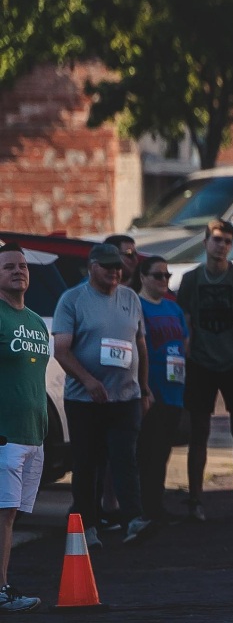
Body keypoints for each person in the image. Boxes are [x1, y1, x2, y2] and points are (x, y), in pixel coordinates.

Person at [54, 242, 145, 542]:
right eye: (108, 266)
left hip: (125, 397)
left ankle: (133, 520)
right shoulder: (73, 299)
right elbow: (62, 350)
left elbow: (140, 345)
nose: (115, 271)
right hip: (85, 400)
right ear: (92, 267)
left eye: (118, 266)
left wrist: (144, 387)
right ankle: (86, 525)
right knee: (86, 462)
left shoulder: (131, 298)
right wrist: (88, 380)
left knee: (125, 458)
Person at [178, 219, 233, 521]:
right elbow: (185, 322)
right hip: (200, 362)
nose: (221, 245)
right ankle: (195, 500)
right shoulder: (191, 279)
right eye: (216, 239)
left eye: (227, 240)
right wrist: (185, 358)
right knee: (199, 432)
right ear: (205, 243)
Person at [0, 244, 51, 611]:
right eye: (8, 267)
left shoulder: (34, 321)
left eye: (22, 266)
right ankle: (2, 592)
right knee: (2, 516)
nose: (19, 271)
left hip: (34, 435)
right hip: (4, 435)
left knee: (11, 517)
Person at [131, 256, 186, 540]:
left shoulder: (173, 308)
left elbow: (184, 344)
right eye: (157, 275)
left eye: (167, 275)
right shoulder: (136, 307)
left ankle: (157, 506)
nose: (164, 280)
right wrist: (142, 387)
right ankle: (144, 509)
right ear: (143, 277)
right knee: (147, 452)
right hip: (149, 391)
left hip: (174, 389)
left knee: (163, 451)